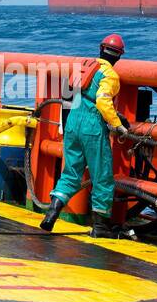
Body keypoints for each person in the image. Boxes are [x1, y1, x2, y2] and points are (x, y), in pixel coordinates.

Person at [38, 33, 129, 238]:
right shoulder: (110, 76)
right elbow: (103, 101)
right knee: (102, 177)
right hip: (92, 127)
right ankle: (100, 228)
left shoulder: (83, 65)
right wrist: (118, 125)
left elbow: (68, 94)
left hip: (72, 122)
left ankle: (52, 213)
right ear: (119, 57)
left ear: (100, 49)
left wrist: (67, 125)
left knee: (70, 173)